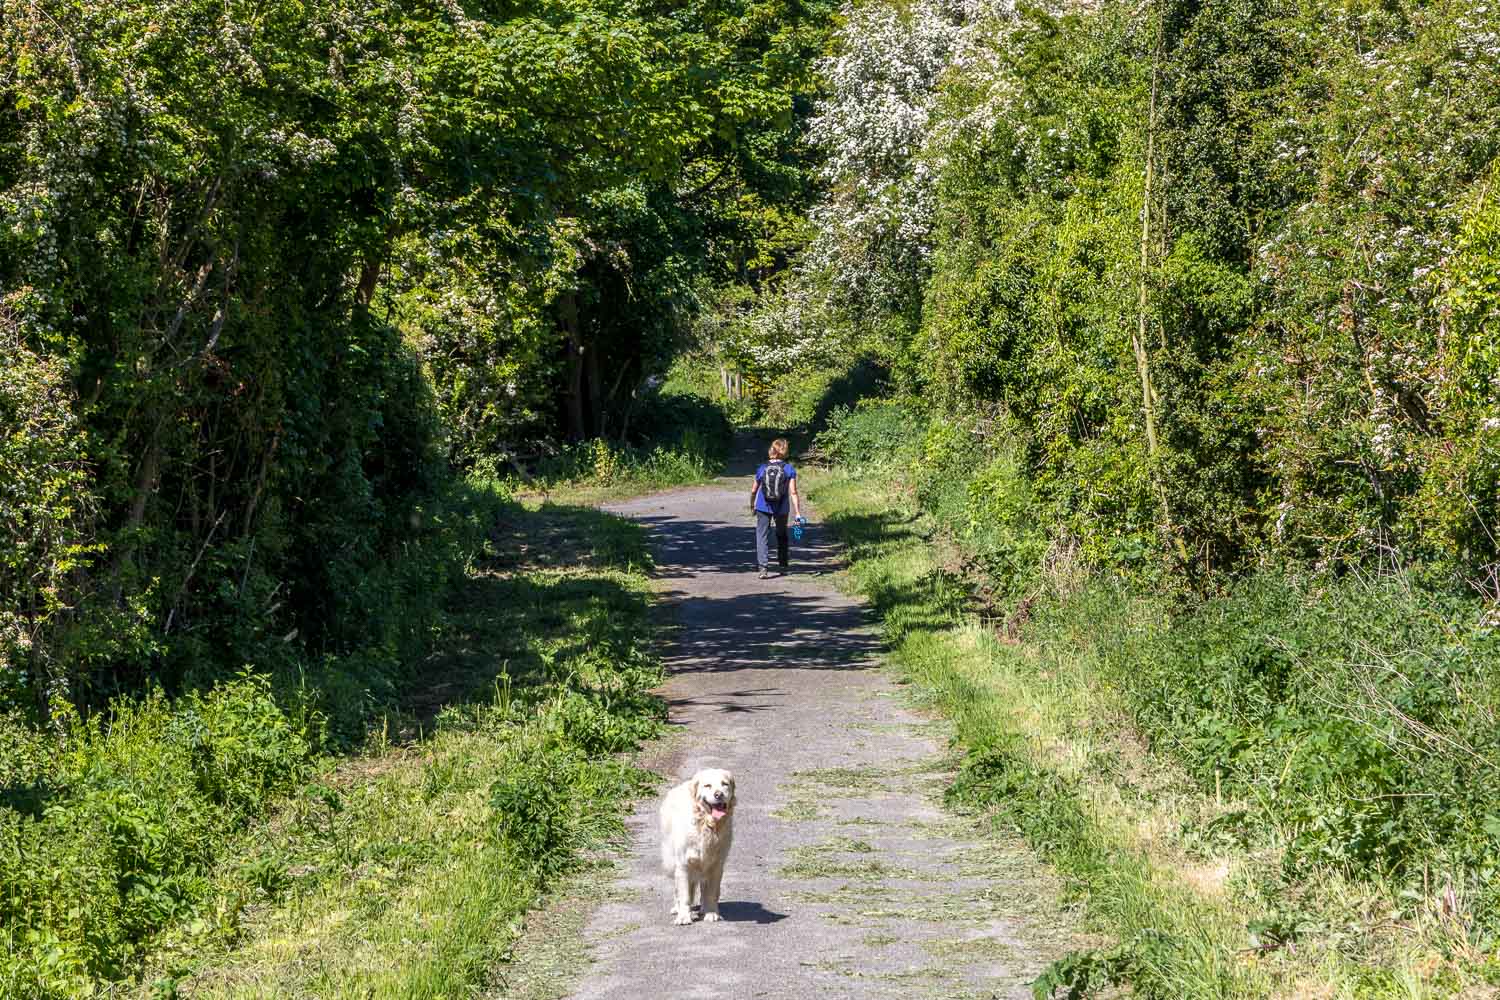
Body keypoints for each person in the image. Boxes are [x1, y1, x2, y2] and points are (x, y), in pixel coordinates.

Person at [750, 438, 803, 579]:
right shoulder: (788, 469)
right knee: (782, 534)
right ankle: (783, 565)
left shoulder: (762, 468)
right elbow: (793, 492)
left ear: (772, 450)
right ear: (784, 452)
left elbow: (754, 489)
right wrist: (798, 513)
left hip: (763, 505)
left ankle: (763, 568)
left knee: (761, 535)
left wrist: (752, 504)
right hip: (782, 507)